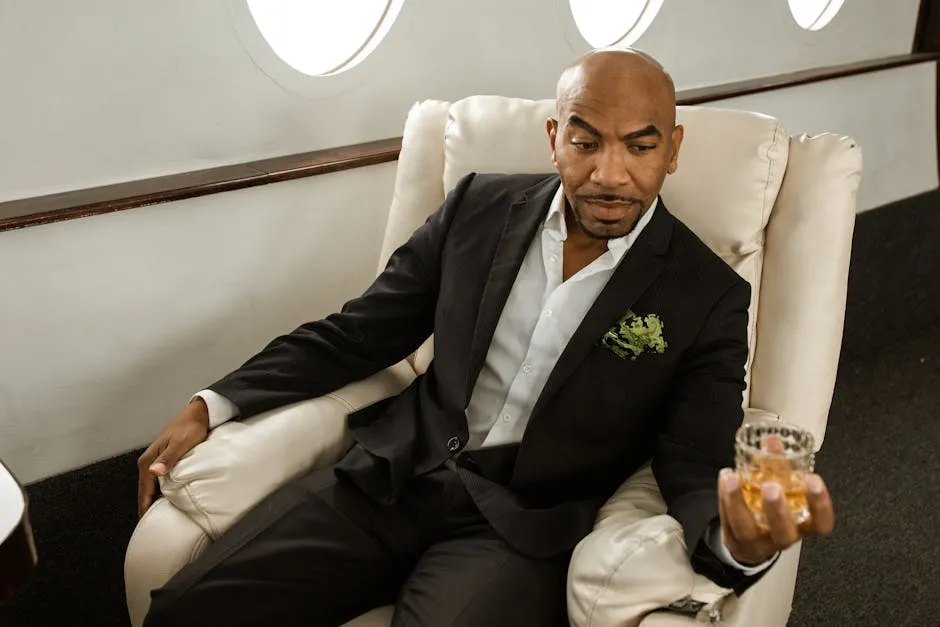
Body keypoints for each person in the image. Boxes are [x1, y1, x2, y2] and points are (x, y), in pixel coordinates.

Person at [138, 49, 835, 627]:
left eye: (639, 145)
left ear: (672, 149)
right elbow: (360, 331)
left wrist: (733, 545)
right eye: (586, 140)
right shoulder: (478, 206)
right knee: (188, 611)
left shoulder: (706, 294)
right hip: (388, 476)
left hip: (521, 529)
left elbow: (691, 455)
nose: (609, 173)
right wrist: (215, 403)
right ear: (554, 137)